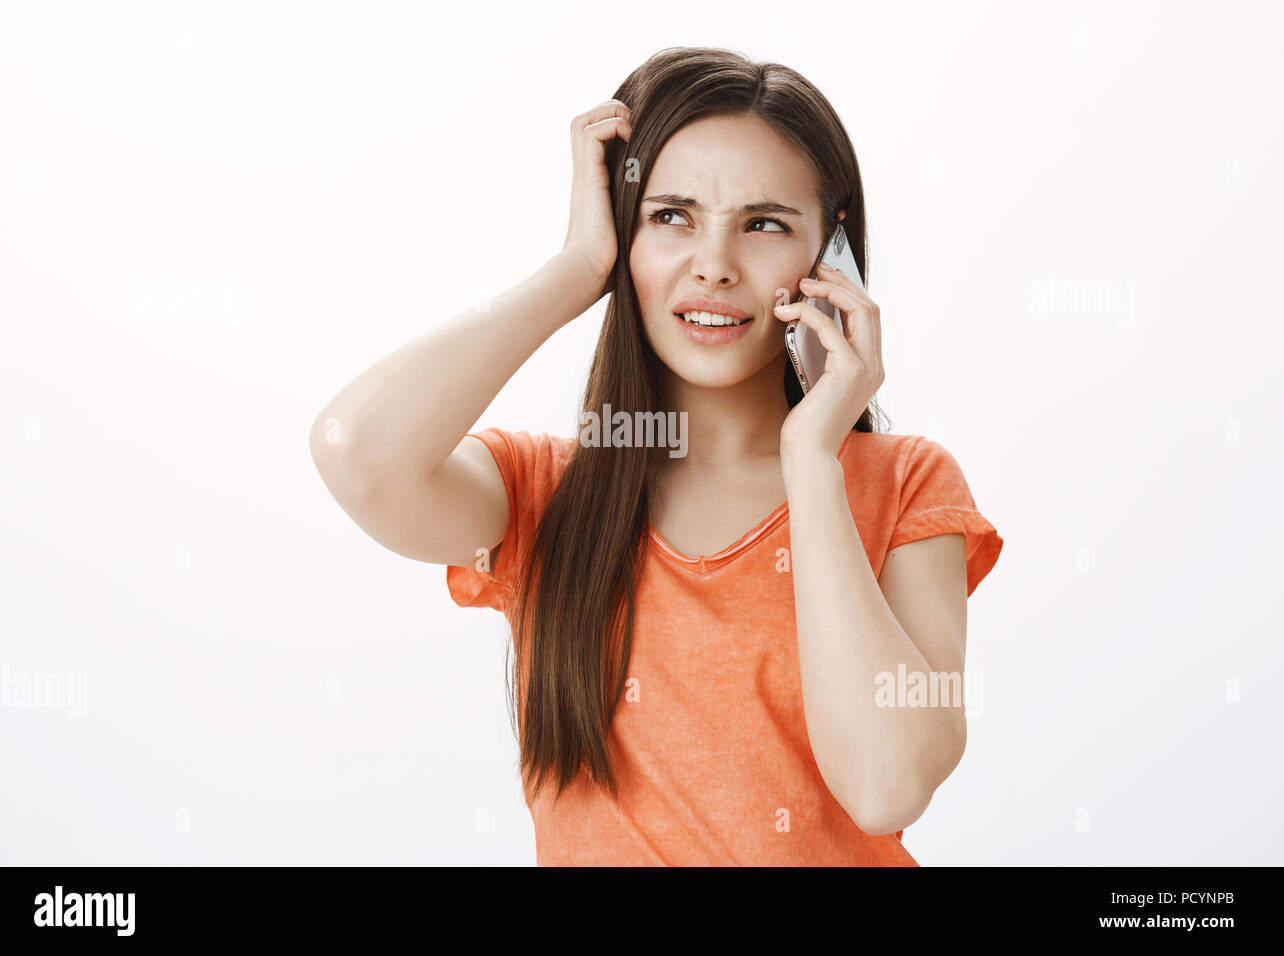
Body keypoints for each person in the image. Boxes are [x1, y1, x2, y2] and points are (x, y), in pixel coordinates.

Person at [310, 46, 1003, 866]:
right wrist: (575, 271)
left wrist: (814, 458)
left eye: (765, 224)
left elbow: (888, 786)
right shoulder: (541, 493)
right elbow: (357, 450)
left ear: (831, 254)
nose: (713, 265)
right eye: (670, 216)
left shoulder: (907, 484)